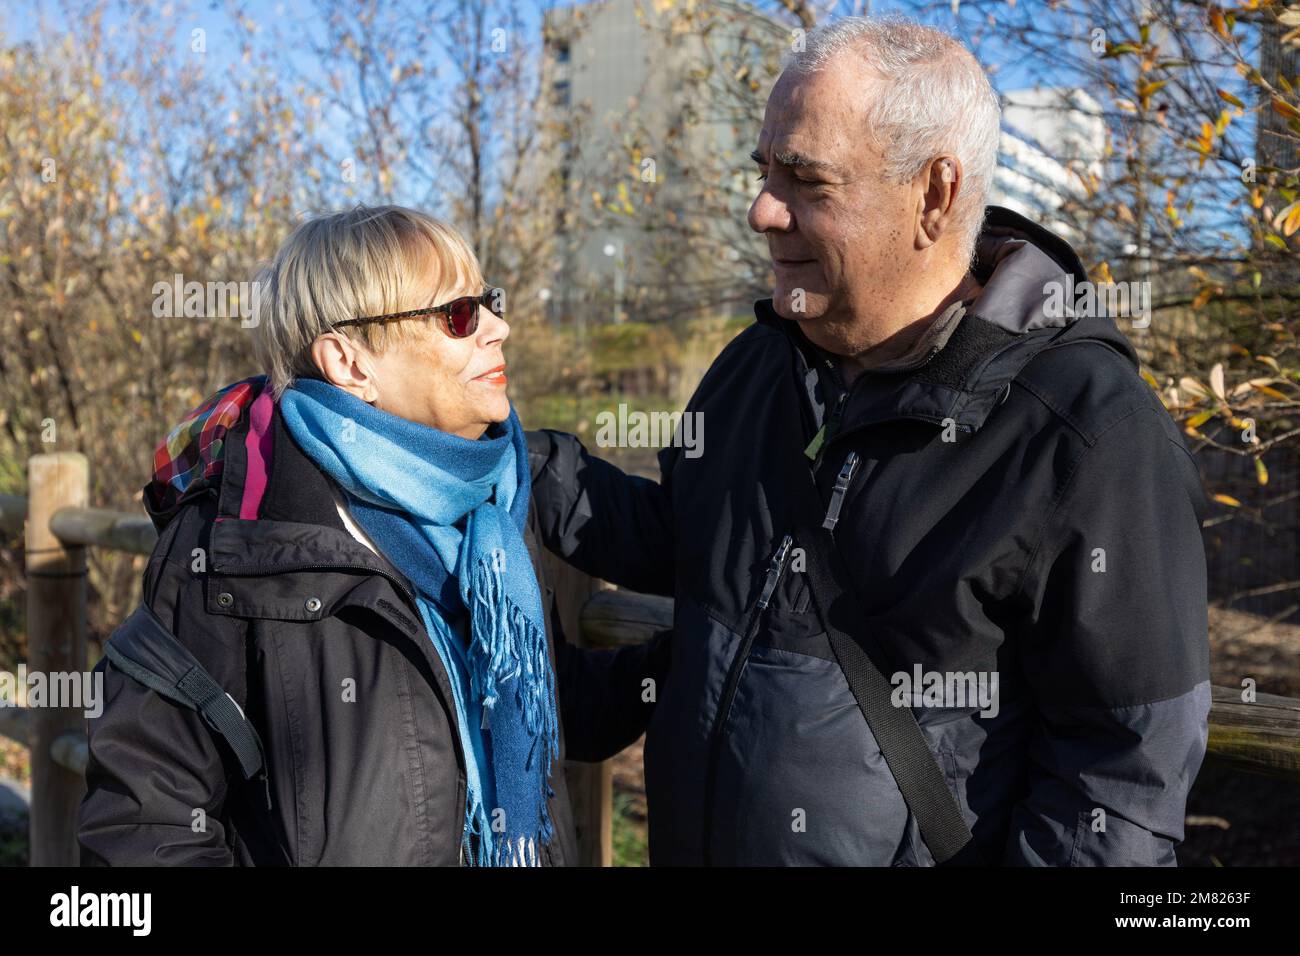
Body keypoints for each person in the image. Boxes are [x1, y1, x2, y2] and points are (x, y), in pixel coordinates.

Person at [527, 16, 1211, 866]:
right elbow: (697, 539)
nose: (760, 210)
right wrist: (506, 461)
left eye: (805, 180)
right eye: (764, 170)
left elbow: (1120, 787)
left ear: (932, 195)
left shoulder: (1085, 431)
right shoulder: (754, 367)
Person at [78, 205, 664, 866]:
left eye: (489, 302)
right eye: (459, 315)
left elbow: (539, 709)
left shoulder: (491, 503)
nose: (499, 328)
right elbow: (140, 821)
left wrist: (696, 661)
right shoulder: (238, 542)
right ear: (349, 362)